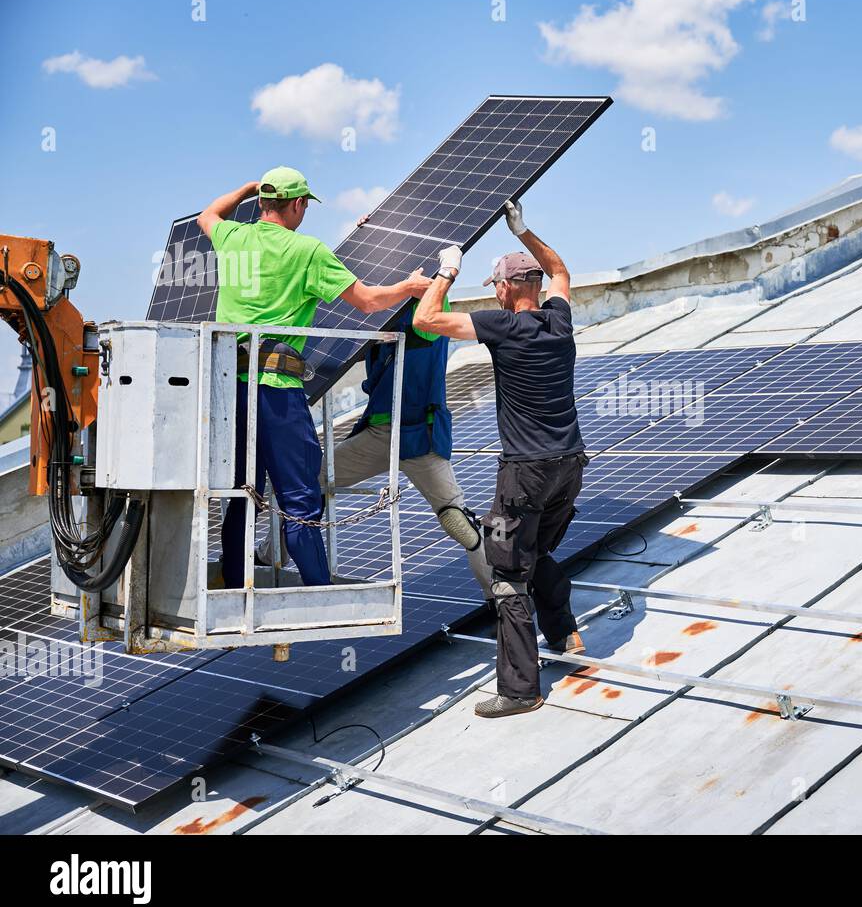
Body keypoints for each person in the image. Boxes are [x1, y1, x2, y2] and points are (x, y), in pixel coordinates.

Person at [199, 167, 431, 589]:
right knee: (300, 498)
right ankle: (318, 591)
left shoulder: (232, 238)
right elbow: (366, 302)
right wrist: (409, 286)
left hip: (229, 389)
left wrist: (248, 188)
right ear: (298, 204)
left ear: (261, 202)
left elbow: (208, 215)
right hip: (275, 391)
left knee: (239, 492)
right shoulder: (306, 251)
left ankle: (234, 584)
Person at [258, 213, 493, 597]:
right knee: (455, 519)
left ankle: (269, 556)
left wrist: (437, 274)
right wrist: (364, 233)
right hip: (405, 435)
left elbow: (385, 299)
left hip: (411, 434)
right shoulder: (391, 321)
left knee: (457, 522)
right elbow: (363, 292)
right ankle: (503, 599)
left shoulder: (426, 316)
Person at [412, 200, 585, 718]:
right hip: (569, 465)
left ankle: (519, 690)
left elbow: (426, 319)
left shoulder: (502, 327)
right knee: (538, 553)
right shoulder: (559, 320)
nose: (494, 292)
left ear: (509, 289)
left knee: (506, 571)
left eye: (495, 285)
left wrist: (446, 271)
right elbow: (559, 269)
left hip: (525, 474)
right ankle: (567, 635)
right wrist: (525, 230)